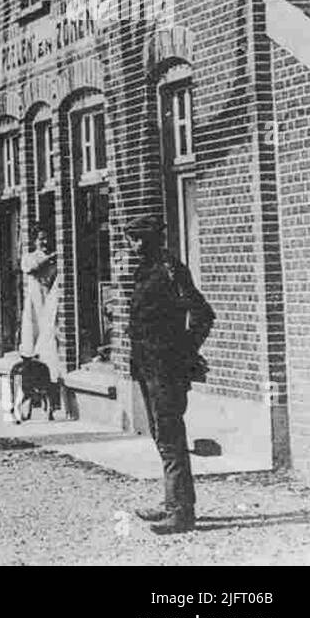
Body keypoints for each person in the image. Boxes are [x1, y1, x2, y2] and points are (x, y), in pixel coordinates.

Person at [127, 215, 214, 535]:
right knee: (161, 435)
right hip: (147, 366)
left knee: (170, 435)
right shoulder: (146, 270)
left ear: (153, 240)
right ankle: (172, 501)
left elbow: (203, 314)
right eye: (132, 239)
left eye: (140, 239)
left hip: (166, 368)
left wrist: (184, 351)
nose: (134, 245)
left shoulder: (170, 270)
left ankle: (182, 512)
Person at [19, 228, 66, 412]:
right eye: (40, 239)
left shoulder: (54, 261)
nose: (44, 242)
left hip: (49, 308)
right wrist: (52, 257)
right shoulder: (29, 258)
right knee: (32, 348)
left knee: (49, 348)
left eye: (47, 239)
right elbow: (31, 268)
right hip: (35, 310)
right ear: (34, 242)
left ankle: (52, 396)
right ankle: (32, 396)